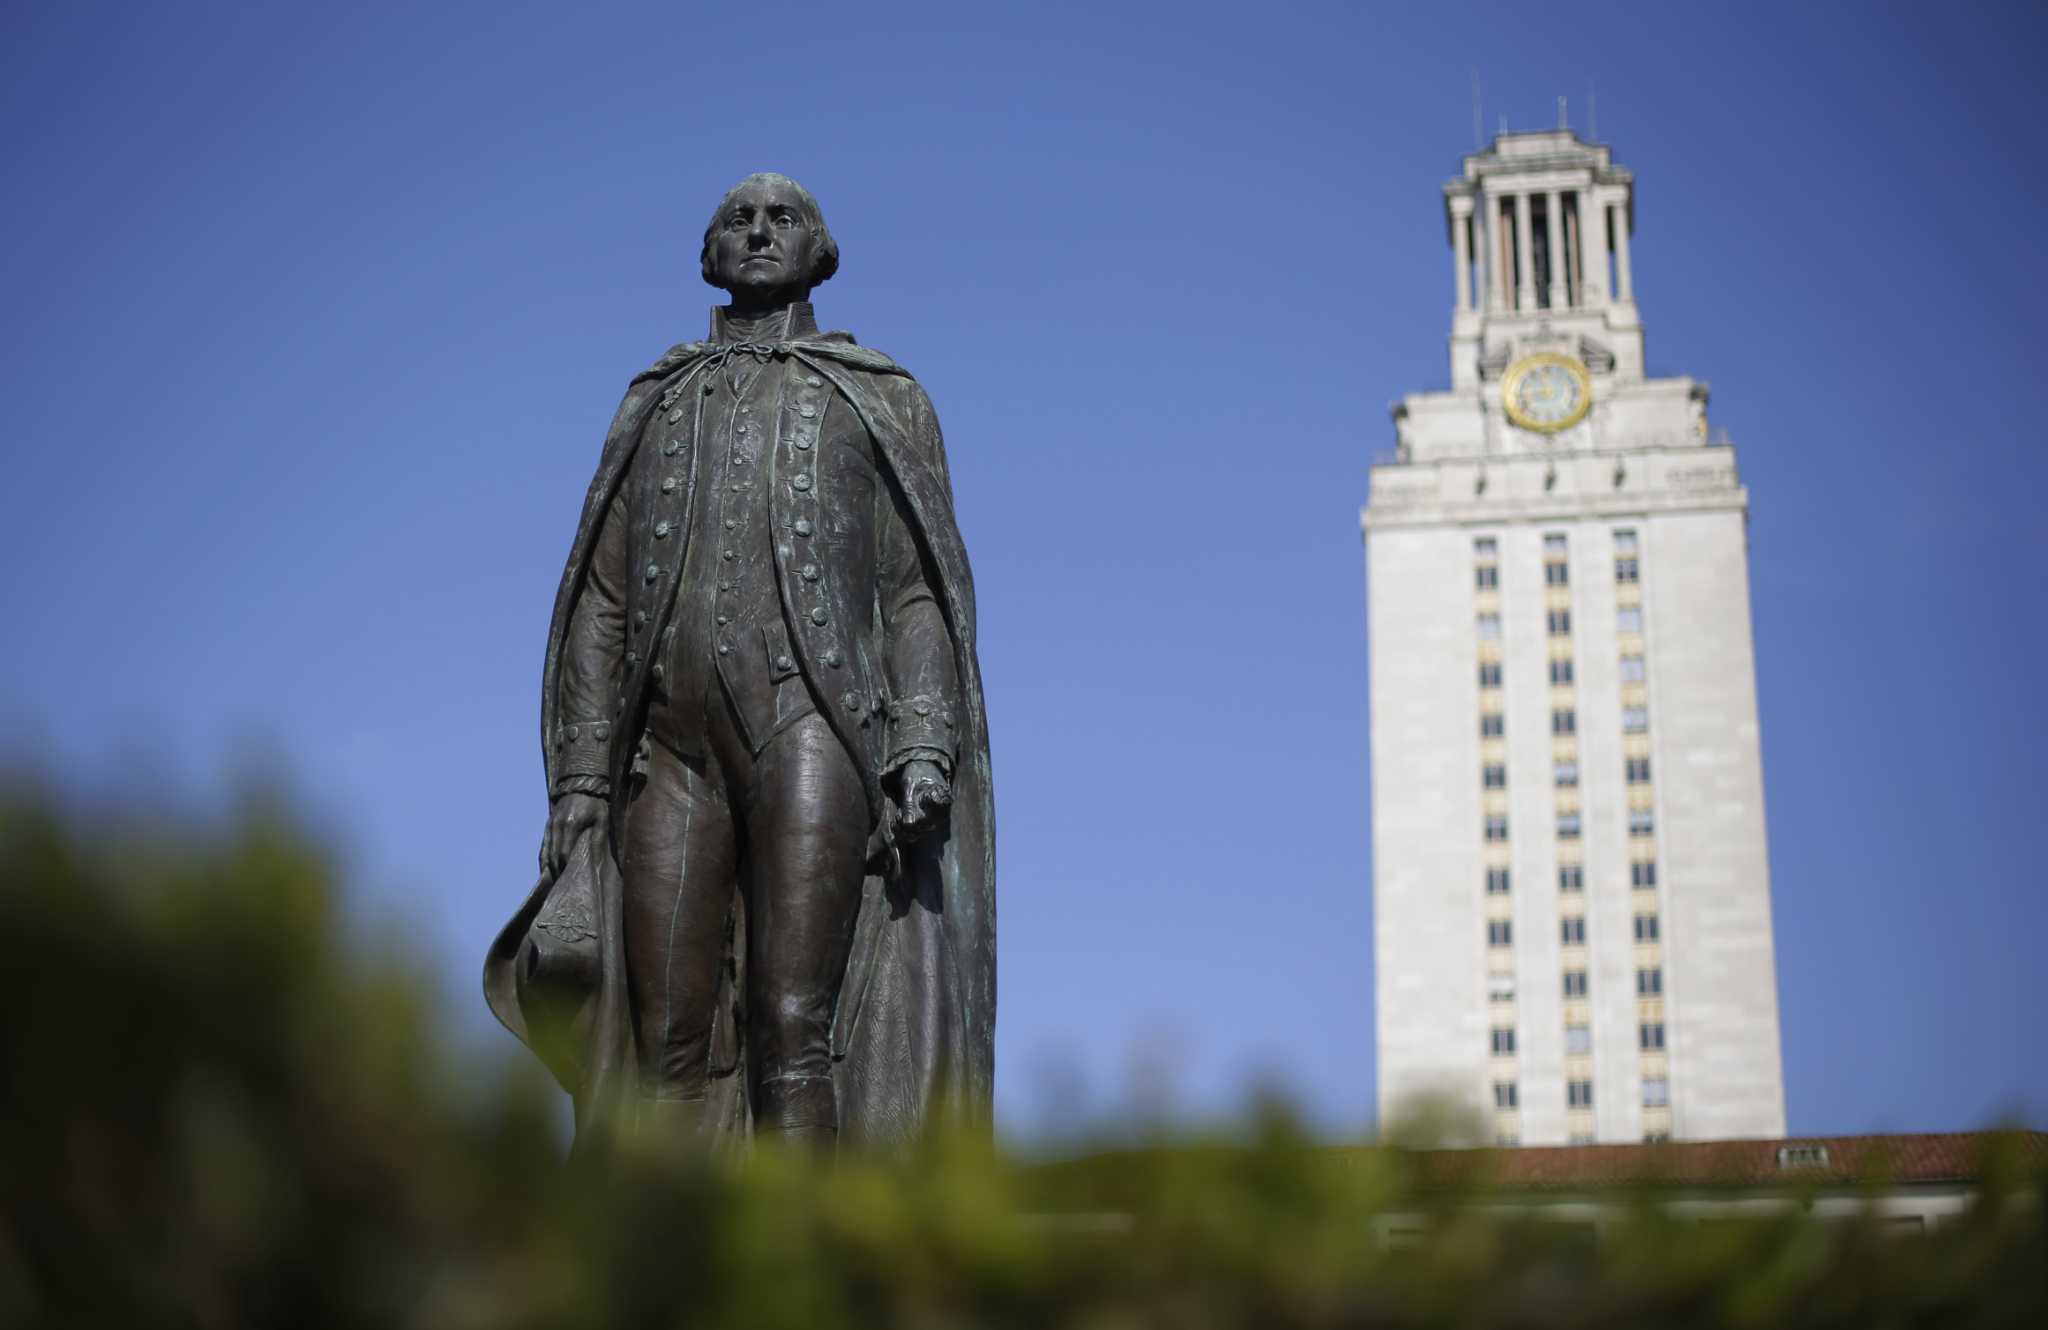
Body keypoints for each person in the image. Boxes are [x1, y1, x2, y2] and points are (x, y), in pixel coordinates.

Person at [485, 174, 994, 1149]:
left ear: (821, 251)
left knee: (790, 1025)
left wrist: (922, 737)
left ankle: (796, 1271)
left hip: (815, 725)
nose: (757, 231)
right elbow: (601, 594)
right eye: (736, 220)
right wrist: (581, 785)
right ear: (708, 254)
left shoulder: (878, 398)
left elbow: (914, 588)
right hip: (667, 754)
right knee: (662, 1044)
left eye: (782, 218)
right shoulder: (656, 401)